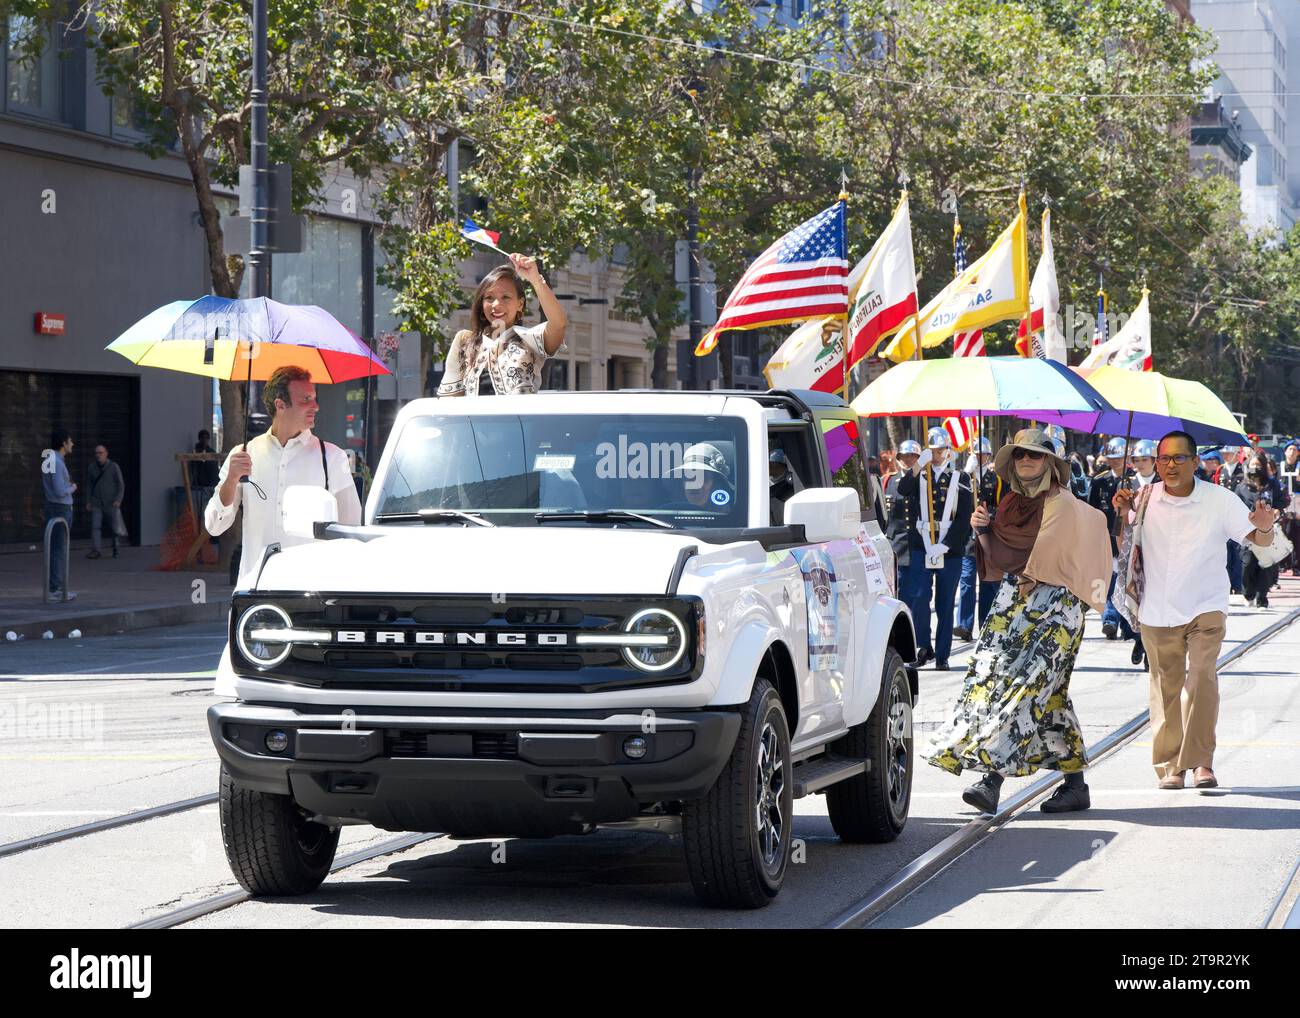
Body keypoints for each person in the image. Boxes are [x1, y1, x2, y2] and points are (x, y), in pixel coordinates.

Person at [926, 429, 1111, 814]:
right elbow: (1002, 559)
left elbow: (1059, 551)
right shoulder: (1009, 504)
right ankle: (1075, 785)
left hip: (1058, 606)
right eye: (1021, 456)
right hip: (1014, 602)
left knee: (1025, 687)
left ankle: (991, 778)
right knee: (1029, 689)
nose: (1027, 462)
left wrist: (1020, 557)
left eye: (1036, 456)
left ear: (1050, 463)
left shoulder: (1065, 504)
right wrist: (982, 529)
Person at [1114, 431, 1279, 790]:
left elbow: (1259, 539)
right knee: (1166, 689)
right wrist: (1121, 512)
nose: (1170, 466)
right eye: (1163, 459)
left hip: (1206, 606)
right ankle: (1171, 765)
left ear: (1194, 462)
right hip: (1157, 609)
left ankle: (1201, 761)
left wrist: (1265, 527)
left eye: (1178, 458)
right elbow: (1126, 548)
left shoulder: (1220, 499)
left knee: (1202, 677)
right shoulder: (1143, 498)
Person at [205, 366, 363, 590]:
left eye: (314, 398)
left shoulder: (333, 458)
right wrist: (231, 479)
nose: (315, 407)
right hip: (255, 591)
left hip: (314, 595)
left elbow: (351, 533)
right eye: (306, 399)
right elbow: (214, 525)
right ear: (280, 405)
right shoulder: (244, 454)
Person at [896, 427, 973, 670]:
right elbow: (903, 490)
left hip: (949, 549)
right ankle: (923, 647)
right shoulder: (920, 475)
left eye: (940, 450)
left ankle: (942, 654)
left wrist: (946, 544)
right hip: (922, 546)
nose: (936, 454)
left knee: (945, 602)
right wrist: (918, 465)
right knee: (919, 598)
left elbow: (963, 518)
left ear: (948, 451)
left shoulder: (960, 478)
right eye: (932, 450)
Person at [437, 255, 567, 396]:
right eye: (489, 298)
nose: (496, 305)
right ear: (481, 304)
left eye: (505, 297)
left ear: (520, 304)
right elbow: (451, 401)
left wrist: (536, 280)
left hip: (519, 418)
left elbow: (558, 324)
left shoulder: (529, 340)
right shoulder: (464, 343)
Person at [1089, 437, 1135, 641]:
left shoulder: (1133, 480)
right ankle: (1109, 618)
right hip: (1105, 537)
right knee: (1107, 582)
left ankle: (1126, 623)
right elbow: (1091, 510)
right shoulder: (1099, 480)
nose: (1115, 461)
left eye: (1119, 457)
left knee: (1125, 582)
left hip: (1126, 537)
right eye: (1112, 457)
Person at [955, 437, 1001, 641]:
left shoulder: (995, 478)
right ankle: (964, 625)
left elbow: (999, 505)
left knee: (987, 582)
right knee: (966, 581)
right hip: (967, 537)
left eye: (984, 454)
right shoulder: (963, 477)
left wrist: (988, 518)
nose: (981, 457)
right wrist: (968, 473)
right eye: (977, 454)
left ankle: (985, 625)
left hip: (987, 537)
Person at [1235, 454, 1284, 608]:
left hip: (1267, 528)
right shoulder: (1242, 486)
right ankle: (1248, 593)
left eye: (1258, 465)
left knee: (1266, 564)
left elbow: (1281, 500)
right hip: (1248, 529)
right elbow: (1235, 505)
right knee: (1248, 563)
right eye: (1253, 465)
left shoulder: (1271, 484)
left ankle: (1262, 597)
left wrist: (1277, 510)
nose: (1255, 468)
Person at [41, 429, 77, 599]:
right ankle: (56, 588)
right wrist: (72, 488)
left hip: (52, 506)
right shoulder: (56, 461)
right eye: (70, 441)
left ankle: (55, 587)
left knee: (56, 548)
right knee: (59, 549)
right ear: (63, 443)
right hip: (60, 507)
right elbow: (59, 489)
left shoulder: (49, 459)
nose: (72, 444)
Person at [85, 443, 126, 559]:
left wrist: (118, 499)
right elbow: (89, 485)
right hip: (96, 502)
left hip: (111, 502)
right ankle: (96, 550)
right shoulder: (92, 467)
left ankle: (115, 548)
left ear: (106, 454)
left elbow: (121, 484)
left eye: (100, 453)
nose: (98, 455)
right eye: (96, 453)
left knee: (114, 527)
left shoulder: (113, 467)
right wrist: (88, 501)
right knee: (95, 526)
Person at [1279, 441, 1300, 576]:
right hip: (1283, 503)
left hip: (1298, 504)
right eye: (1289, 449)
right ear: (1285, 452)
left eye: (1294, 450)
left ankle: (1296, 565)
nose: (1292, 452)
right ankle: (1283, 564)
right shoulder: (1279, 467)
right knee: (1282, 533)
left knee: (1297, 534)